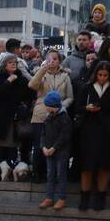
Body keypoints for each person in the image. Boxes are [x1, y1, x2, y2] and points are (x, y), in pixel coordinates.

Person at [74, 60, 110, 210]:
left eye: (105, 75)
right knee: (86, 166)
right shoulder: (87, 88)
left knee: (104, 166)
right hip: (88, 131)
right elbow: (77, 107)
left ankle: (101, 197)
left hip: (107, 133)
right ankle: (84, 197)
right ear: (95, 74)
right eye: (100, 75)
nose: (102, 78)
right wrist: (86, 108)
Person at [29, 49, 73, 182]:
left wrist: (60, 107)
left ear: (59, 61)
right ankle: (37, 173)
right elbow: (32, 85)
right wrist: (42, 70)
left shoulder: (65, 76)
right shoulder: (41, 73)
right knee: (39, 145)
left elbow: (70, 97)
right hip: (41, 113)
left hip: (58, 115)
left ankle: (54, 175)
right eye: (50, 59)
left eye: (55, 59)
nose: (52, 61)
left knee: (55, 145)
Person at [0, 52, 30, 180]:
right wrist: (8, 81)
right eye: (10, 62)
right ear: (4, 65)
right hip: (0, 117)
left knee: (12, 146)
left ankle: (12, 171)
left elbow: (27, 95)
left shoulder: (21, 79)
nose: (14, 65)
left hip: (15, 117)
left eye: (15, 63)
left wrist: (24, 108)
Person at [38, 90, 71, 210]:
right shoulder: (48, 117)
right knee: (50, 174)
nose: (46, 107)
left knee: (60, 174)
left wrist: (54, 148)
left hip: (61, 151)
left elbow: (65, 136)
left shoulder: (64, 118)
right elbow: (43, 133)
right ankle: (49, 197)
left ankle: (61, 198)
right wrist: (43, 147)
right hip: (49, 150)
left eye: (47, 105)